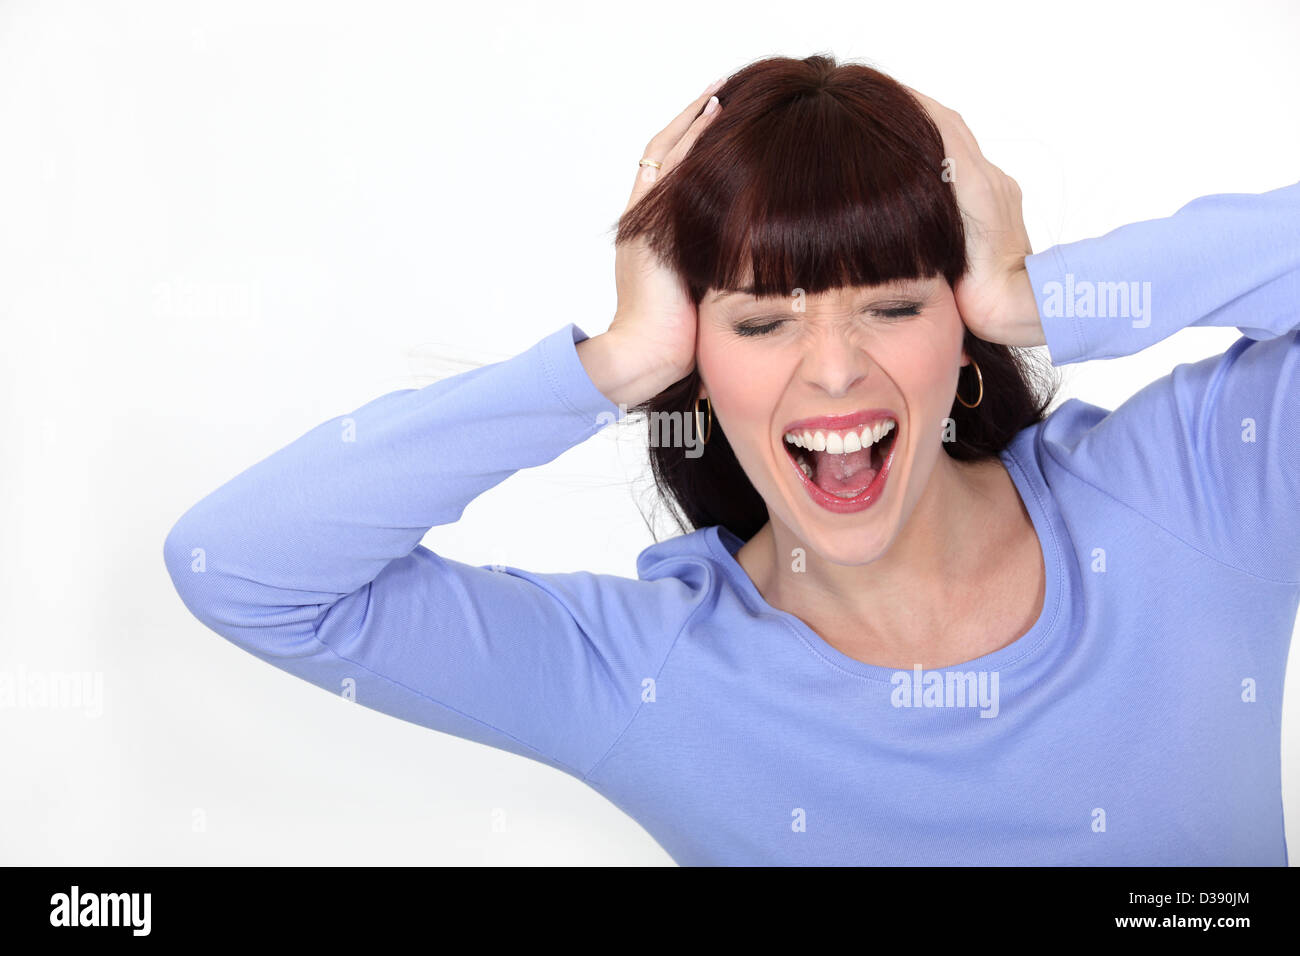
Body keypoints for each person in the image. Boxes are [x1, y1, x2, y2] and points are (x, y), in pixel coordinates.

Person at [164, 54, 1299, 865]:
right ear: (699, 362)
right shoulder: (643, 676)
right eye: (760, 323)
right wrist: (615, 360)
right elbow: (240, 565)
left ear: (962, 329)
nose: (835, 372)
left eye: (894, 306)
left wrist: (1040, 294)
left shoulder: (1197, 494)